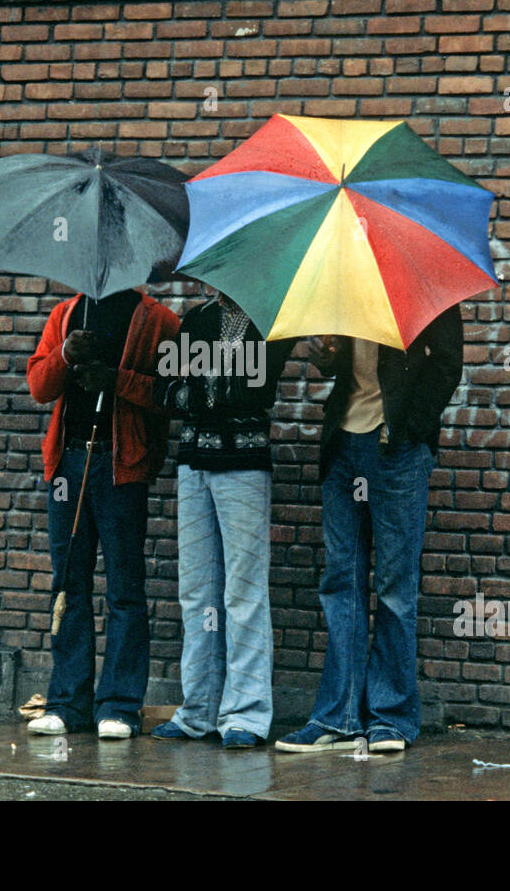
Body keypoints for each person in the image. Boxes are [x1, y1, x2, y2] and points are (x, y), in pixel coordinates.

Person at [275, 305, 464, 754]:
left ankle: (390, 718)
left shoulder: (419, 285)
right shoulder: (346, 283)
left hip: (396, 450)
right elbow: (342, 369)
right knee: (342, 581)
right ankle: (338, 718)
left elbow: (448, 364)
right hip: (345, 444)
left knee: (396, 588)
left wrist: (409, 428)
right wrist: (326, 355)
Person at [24, 286, 179, 740]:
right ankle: (67, 702)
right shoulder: (67, 313)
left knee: (124, 588)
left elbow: (170, 394)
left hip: (120, 463)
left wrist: (115, 379)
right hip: (69, 462)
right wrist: (66, 355)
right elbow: (38, 387)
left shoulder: (159, 321)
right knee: (68, 582)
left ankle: (119, 705)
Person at [149, 291, 292, 749]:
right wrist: (211, 388)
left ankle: (246, 716)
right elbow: (165, 389)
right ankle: (198, 711)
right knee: (196, 590)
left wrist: (204, 388)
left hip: (244, 465)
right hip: (193, 463)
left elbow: (258, 388)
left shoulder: (272, 319)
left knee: (243, 589)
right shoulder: (196, 320)